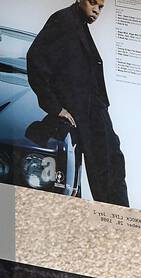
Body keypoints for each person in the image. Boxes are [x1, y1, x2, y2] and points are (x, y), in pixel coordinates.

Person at [26, 0, 130, 207]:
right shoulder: (63, 20)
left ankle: (120, 218)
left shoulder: (77, 23)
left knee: (114, 164)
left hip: (94, 112)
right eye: (93, 3)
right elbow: (36, 58)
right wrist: (56, 108)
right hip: (83, 114)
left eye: (101, 7)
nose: (96, 10)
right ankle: (116, 220)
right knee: (105, 174)